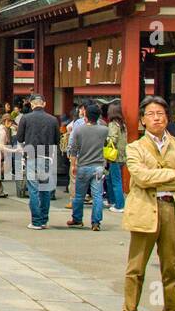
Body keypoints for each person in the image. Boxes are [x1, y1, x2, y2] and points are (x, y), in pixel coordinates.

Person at [121, 96, 175, 311]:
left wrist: (156, 177)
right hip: (144, 209)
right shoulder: (134, 147)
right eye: (150, 114)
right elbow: (139, 178)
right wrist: (170, 174)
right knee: (136, 266)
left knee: (171, 265)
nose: (156, 118)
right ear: (142, 120)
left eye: (160, 113)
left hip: (171, 209)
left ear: (167, 117)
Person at [16, 94, 59, 230]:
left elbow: (20, 137)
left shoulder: (26, 118)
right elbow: (57, 140)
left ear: (32, 104)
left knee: (33, 189)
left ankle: (35, 220)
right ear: (44, 104)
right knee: (45, 189)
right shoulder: (53, 120)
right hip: (46, 157)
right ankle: (43, 220)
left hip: (31, 156)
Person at [67, 102, 109, 231]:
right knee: (97, 196)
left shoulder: (79, 129)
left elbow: (73, 149)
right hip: (98, 167)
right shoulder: (104, 130)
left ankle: (77, 219)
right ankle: (96, 222)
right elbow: (106, 145)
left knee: (79, 195)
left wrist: (73, 165)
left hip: (83, 165)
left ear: (85, 115)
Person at [105, 101, 128, 213]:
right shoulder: (123, 124)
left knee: (116, 181)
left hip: (114, 156)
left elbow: (112, 139)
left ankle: (119, 205)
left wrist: (106, 140)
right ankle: (112, 201)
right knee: (110, 178)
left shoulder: (113, 125)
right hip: (122, 156)